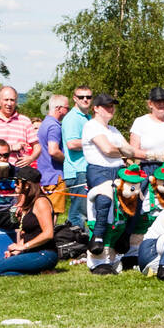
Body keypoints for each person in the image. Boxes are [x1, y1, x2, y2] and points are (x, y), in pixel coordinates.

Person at [83, 95, 147, 254]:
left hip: (119, 170)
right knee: (105, 197)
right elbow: (107, 150)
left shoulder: (114, 130)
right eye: (106, 106)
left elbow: (130, 151)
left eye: (112, 106)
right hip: (98, 169)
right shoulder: (91, 126)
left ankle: (125, 236)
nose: (110, 109)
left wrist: (123, 151)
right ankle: (97, 236)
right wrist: (123, 151)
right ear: (96, 108)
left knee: (136, 198)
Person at [85, 165, 148, 274]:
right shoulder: (106, 195)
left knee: (115, 245)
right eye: (133, 188)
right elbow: (92, 195)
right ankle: (98, 263)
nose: (136, 192)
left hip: (117, 231)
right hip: (103, 229)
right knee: (103, 244)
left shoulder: (130, 199)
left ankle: (113, 261)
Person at [0, 166, 58, 275]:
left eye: (17, 181)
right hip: (32, 252)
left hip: (45, 254)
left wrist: (23, 246)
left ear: (27, 185)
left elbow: (48, 234)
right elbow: (31, 234)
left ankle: (42, 269)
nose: (15, 184)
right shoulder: (30, 203)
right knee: (6, 273)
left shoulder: (41, 202)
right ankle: (39, 272)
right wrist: (17, 251)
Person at [129, 87, 164, 175]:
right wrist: (157, 156)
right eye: (157, 101)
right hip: (150, 168)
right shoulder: (140, 122)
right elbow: (133, 151)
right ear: (150, 104)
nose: (161, 104)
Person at [61, 86, 94, 229]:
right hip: (77, 171)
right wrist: (96, 142)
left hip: (84, 169)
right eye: (81, 97)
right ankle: (75, 244)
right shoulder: (73, 118)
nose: (85, 100)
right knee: (78, 213)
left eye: (88, 97)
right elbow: (72, 143)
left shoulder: (87, 117)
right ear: (74, 98)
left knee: (86, 211)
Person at [36, 94, 68, 221]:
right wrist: (67, 161)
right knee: (52, 215)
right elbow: (53, 151)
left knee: (44, 214)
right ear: (59, 108)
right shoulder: (55, 126)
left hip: (44, 174)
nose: (68, 111)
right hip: (54, 176)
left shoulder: (45, 123)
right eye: (67, 108)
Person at [0, 85, 37, 168]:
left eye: (12, 100)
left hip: (19, 172)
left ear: (16, 102)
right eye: (6, 100)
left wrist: (31, 158)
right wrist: (11, 147)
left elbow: (37, 146)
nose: (9, 103)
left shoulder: (24, 121)